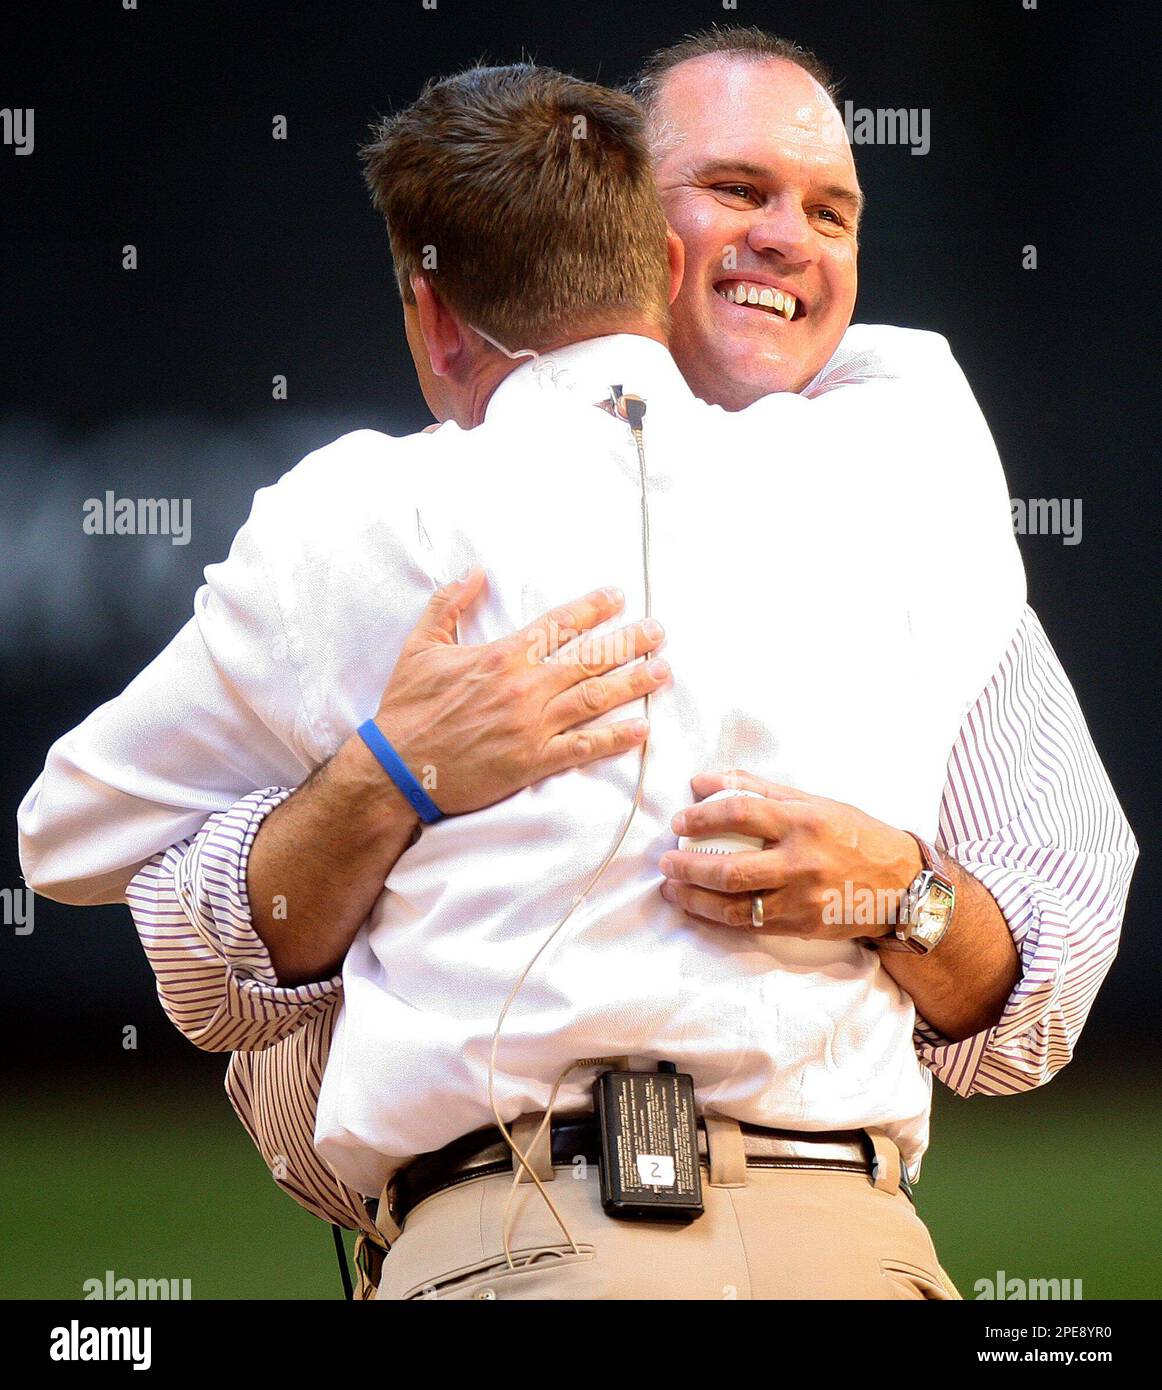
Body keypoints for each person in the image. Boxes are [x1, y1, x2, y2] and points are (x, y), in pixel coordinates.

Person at [18, 44, 1135, 1299]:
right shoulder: (404, 521)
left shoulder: (902, 484)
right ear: (632, 230)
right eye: (736, 189)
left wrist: (901, 891)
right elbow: (213, 981)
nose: (786, 239)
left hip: (736, 1220)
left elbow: (1049, 982)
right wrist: (380, 781)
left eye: (831, 212)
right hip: (488, 1216)